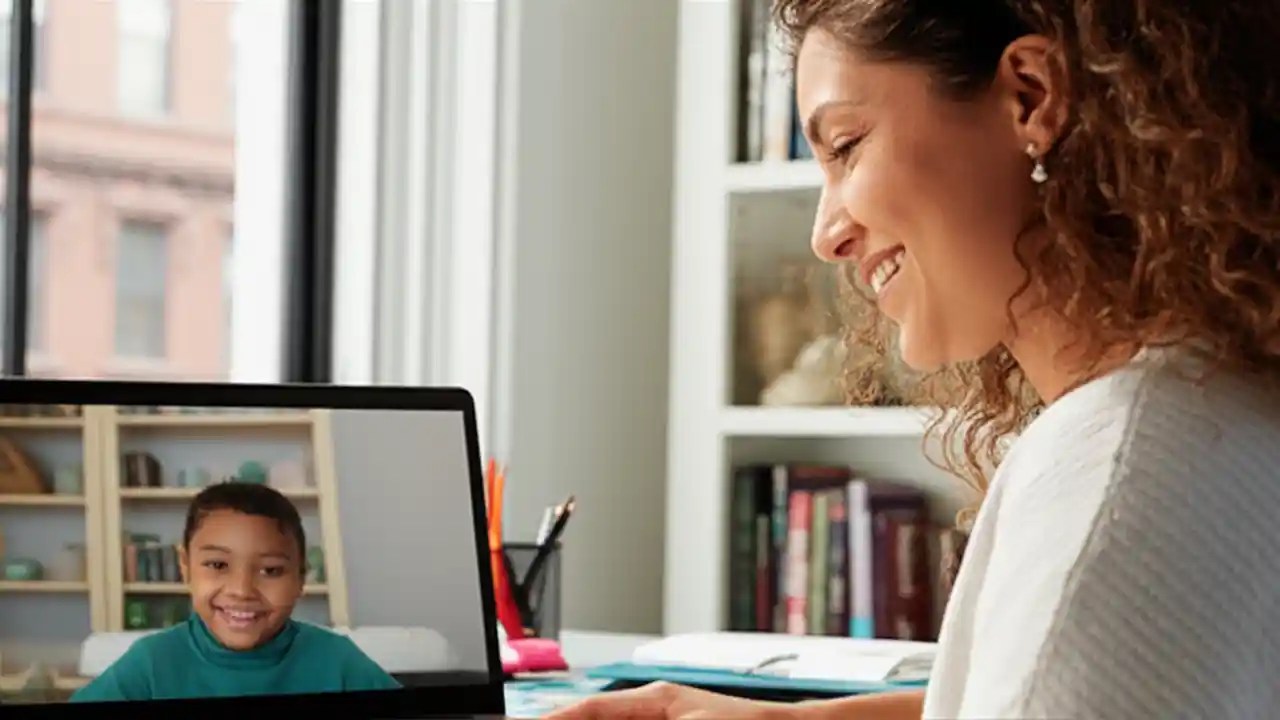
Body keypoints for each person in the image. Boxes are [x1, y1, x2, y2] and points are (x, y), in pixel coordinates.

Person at [550, 0, 1280, 718]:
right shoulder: (1215, 401)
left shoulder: (1109, 480)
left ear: (1031, 96)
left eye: (846, 146)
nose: (825, 235)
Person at [72, 481, 400, 702]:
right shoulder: (152, 664)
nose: (242, 591)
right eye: (217, 565)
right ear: (186, 567)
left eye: (271, 570)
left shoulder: (338, 661)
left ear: (301, 578)